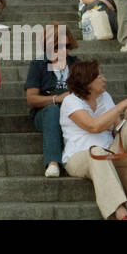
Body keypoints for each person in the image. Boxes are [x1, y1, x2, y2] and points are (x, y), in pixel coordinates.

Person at [60, 59, 127, 219]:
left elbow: (117, 129)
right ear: (87, 81)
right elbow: (93, 127)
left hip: (110, 151)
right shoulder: (70, 101)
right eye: (100, 76)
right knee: (96, 151)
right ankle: (119, 209)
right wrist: (122, 105)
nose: (105, 79)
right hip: (79, 157)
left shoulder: (104, 96)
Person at [22, 24, 79, 177]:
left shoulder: (76, 64)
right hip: (45, 113)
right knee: (53, 111)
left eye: (66, 46)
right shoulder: (39, 64)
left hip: (73, 110)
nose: (63, 51)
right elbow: (31, 98)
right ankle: (53, 162)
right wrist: (57, 98)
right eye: (57, 46)